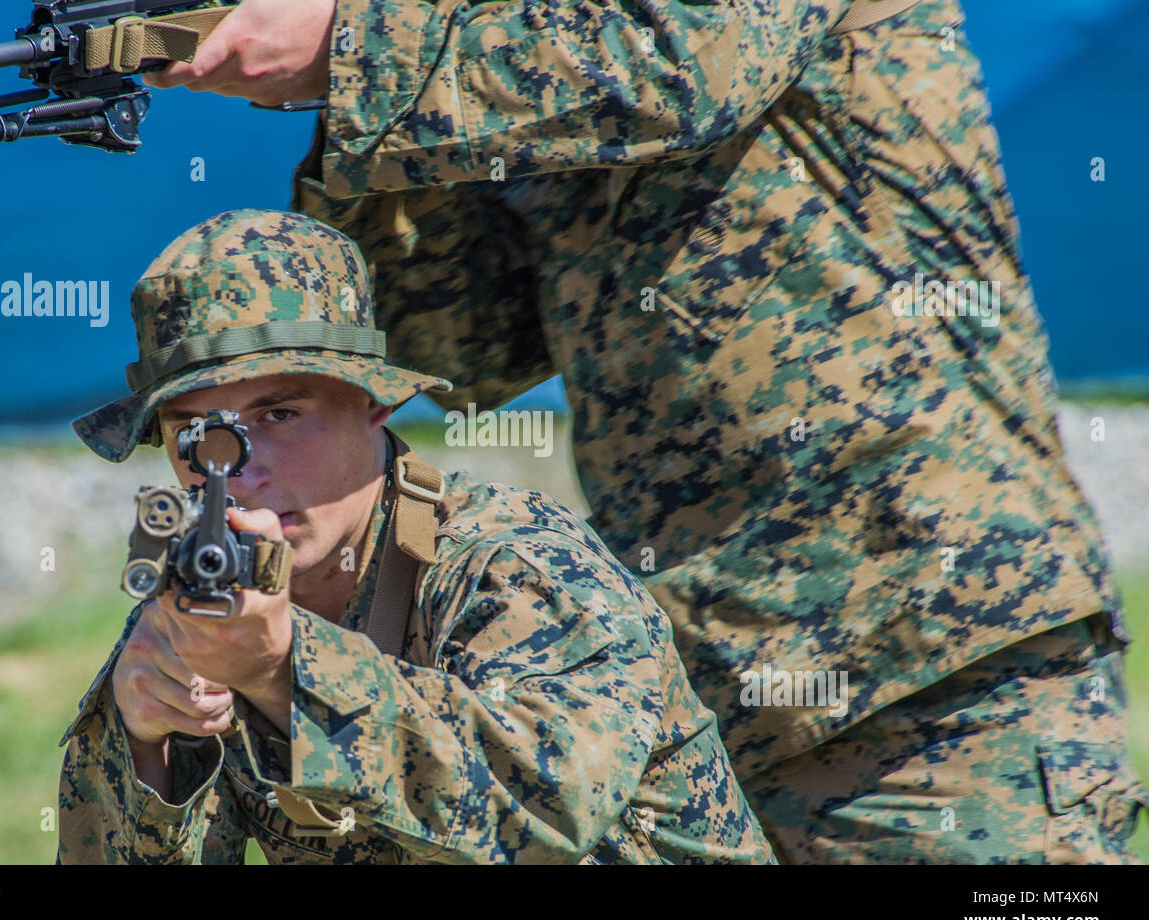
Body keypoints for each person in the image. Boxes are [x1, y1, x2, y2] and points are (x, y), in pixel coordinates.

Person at [140, 0, 1149, 862]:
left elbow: (687, 64)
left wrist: (358, 44)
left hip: (928, 644)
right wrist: (354, 114)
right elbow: (459, 347)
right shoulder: (511, 58)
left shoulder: (559, 50)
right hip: (695, 693)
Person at [56, 209, 775, 864]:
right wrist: (146, 750)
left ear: (373, 401)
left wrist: (286, 673)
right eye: (194, 432)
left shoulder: (513, 562)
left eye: (278, 414)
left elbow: (549, 810)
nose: (239, 471)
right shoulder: (209, 609)